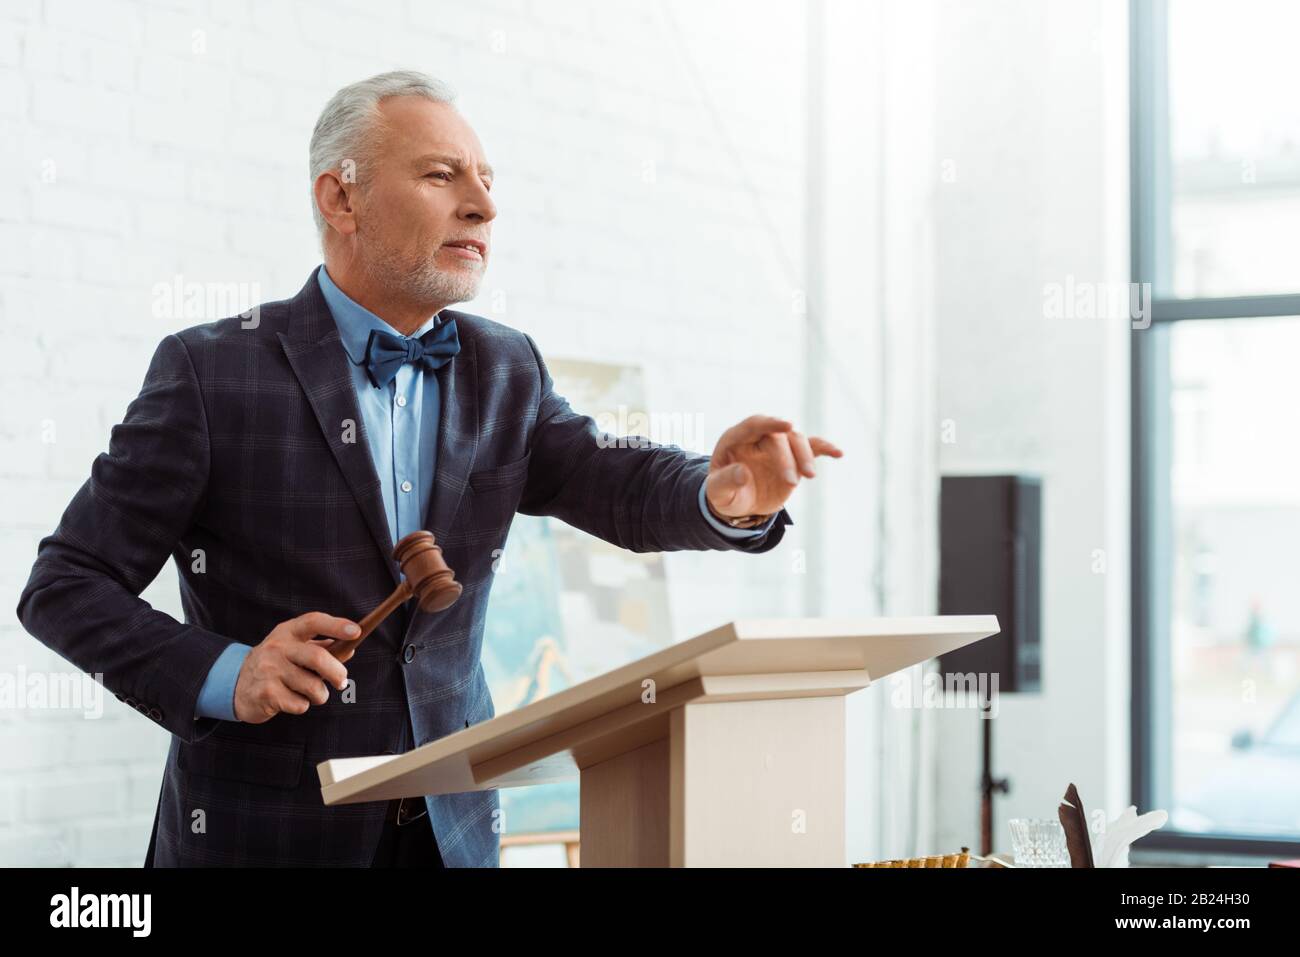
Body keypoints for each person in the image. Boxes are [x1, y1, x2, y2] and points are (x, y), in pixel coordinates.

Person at [17, 71, 842, 867]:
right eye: (442, 176)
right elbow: (65, 584)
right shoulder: (211, 372)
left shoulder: (504, 365)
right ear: (340, 198)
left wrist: (720, 495)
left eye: (485, 180)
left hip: (454, 836)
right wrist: (232, 671)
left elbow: (607, 476)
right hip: (264, 834)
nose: (483, 205)